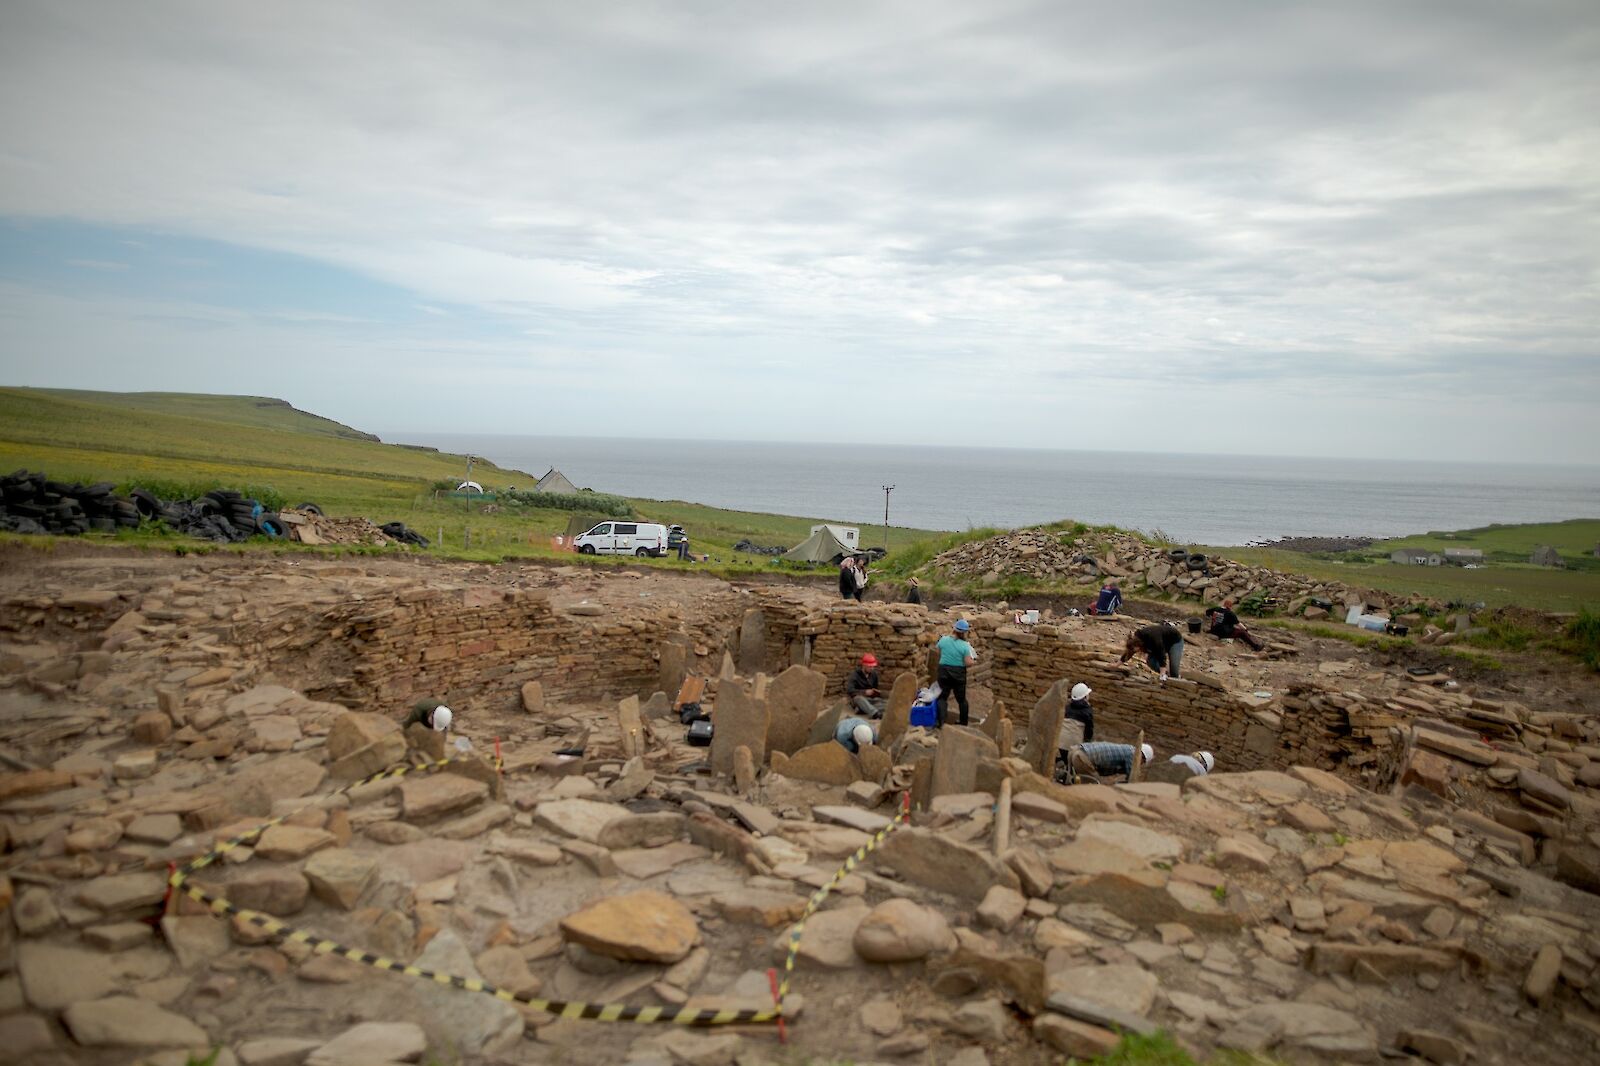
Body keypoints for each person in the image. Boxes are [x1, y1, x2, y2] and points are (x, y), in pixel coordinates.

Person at [935, 619, 976, 727]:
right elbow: (968, 662)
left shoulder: (943, 640)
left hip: (944, 671)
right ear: (965, 632)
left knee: (942, 697)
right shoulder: (965, 646)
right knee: (961, 699)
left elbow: (938, 652)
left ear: (954, 629)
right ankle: (963, 723)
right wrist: (973, 661)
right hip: (958, 673)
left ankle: (941, 722)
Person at [1075, 741, 1154, 782]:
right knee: (1096, 785)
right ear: (1142, 757)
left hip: (1077, 751)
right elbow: (1131, 776)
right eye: (1143, 762)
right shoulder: (1133, 755)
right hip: (1083, 758)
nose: (1140, 764)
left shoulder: (1128, 749)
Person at [846, 653, 885, 717]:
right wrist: (865, 692)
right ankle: (875, 714)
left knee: (886, 703)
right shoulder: (855, 675)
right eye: (870, 666)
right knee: (859, 699)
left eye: (873, 666)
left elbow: (875, 688)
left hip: (871, 700)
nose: (872, 668)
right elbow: (850, 690)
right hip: (858, 699)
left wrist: (876, 692)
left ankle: (862, 709)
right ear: (864, 665)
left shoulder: (874, 675)